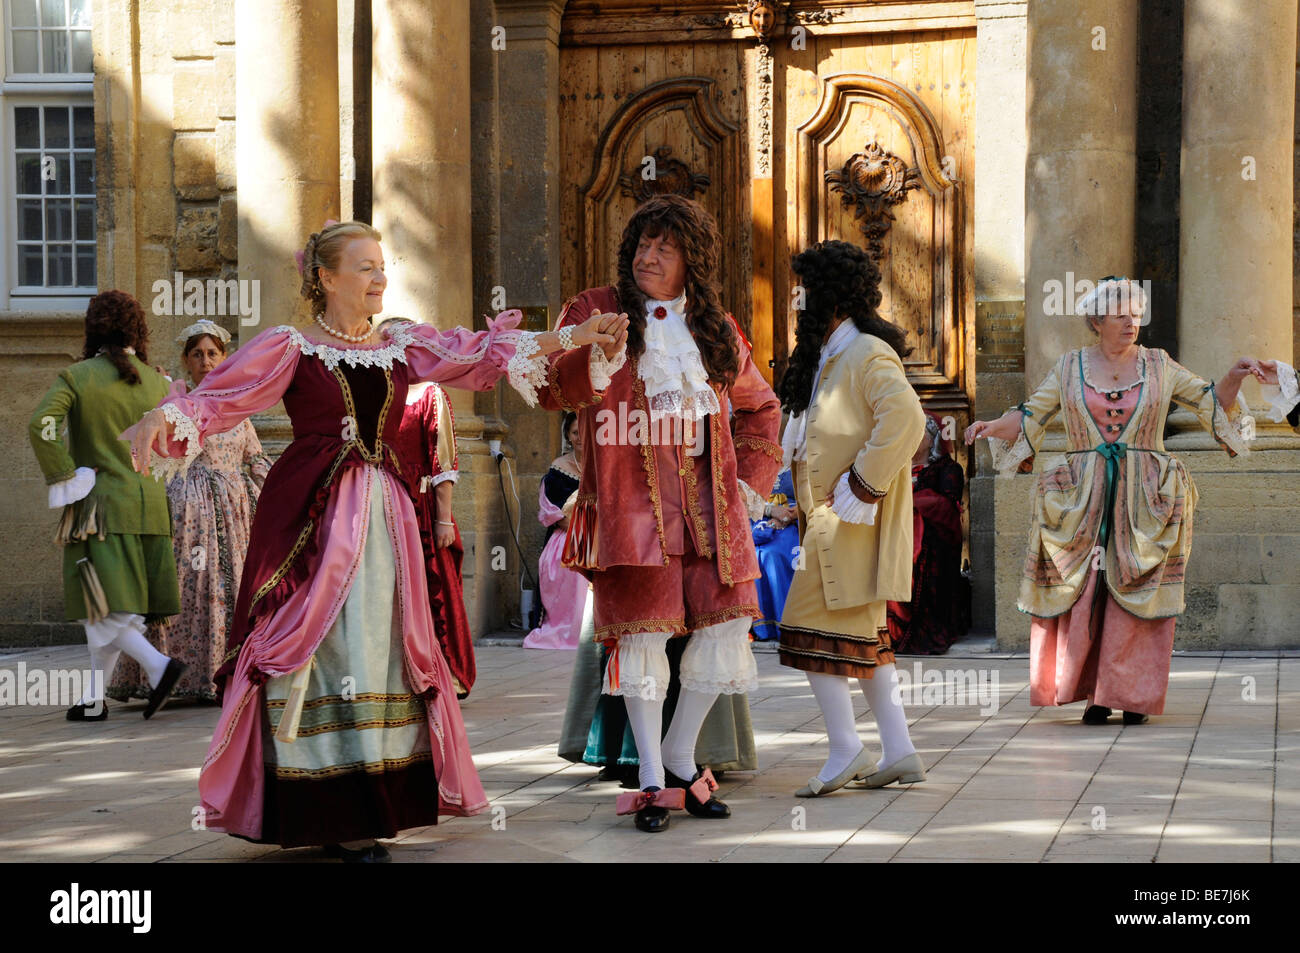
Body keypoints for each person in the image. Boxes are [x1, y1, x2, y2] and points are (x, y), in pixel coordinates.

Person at [125, 220, 627, 861]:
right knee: (316, 642)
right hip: (315, 516)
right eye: (364, 266)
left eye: (382, 265)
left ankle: (372, 798)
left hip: (387, 516)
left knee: (385, 643)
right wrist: (163, 416)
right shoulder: (291, 347)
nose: (380, 277)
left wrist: (573, 335)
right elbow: (225, 395)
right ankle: (323, 803)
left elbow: (476, 354)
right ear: (326, 278)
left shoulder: (399, 344)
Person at [540, 194, 781, 832]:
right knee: (643, 635)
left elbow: (760, 408)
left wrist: (751, 483)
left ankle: (680, 753)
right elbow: (546, 386)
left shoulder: (715, 327)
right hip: (630, 508)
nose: (648, 256)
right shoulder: (596, 308)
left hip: (710, 507)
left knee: (726, 626)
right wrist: (590, 359)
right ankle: (651, 776)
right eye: (642, 245)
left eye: (664, 248)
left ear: (690, 261)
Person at [965, 276, 1256, 726]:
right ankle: (1096, 693)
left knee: (1138, 592)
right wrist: (990, 426)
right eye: (1121, 315)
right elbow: (1030, 415)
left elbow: (1209, 401)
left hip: (1146, 496)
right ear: (1097, 320)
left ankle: (1133, 695)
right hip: (1082, 497)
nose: (1131, 323)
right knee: (1089, 593)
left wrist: (1235, 376)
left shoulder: (1160, 365)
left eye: (1136, 315)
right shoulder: (1067, 368)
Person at [776, 239, 928, 797]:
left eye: (806, 291)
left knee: (809, 632)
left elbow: (906, 419)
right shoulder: (834, 354)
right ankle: (900, 750)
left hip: (846, 522)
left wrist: (862, 485)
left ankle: (846, 747)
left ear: (828, 296)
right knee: (863, 638)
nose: (799, 301)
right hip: (828, 522)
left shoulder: (864, 352)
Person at [29, 290, 184, 721]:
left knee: (100, 604)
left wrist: (66, 475)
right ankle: (94, 701)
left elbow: (40, 425)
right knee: (120, 610)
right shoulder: (159, 382)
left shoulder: (78, 377)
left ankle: (160, 667)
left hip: (99, 510)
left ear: (92, 327)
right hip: (150, 506)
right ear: (137, 329)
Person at [109, 320, 271, 703]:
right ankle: (171, 676)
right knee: (187, 587)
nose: (205, 361)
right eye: (197, 354)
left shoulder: (236, 410)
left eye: (213, 353)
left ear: (225, 358)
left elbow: (256, 460)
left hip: (234, 514)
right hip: (186, 510)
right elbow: (151, 452)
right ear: (186, 360)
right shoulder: (176, 407)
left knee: (226, 590)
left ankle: (222, 674)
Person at [383, 317, 476, 697]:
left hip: (419, 506)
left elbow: (443, 463)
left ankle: (443, 670)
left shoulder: (430, 394)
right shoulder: (379, 392)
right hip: (381, 503)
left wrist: (442, 519)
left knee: (429, 588)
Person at [886, 413, 971, 654]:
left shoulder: (947, 468)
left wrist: (911, 506)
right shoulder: (892, 470)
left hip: (929, 539)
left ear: (931, 437)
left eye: (917, 430)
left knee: (918, 551)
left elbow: (947, 506)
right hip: (893, 535)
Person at [524, 411, 588, 650]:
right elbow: (552, 512)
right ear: (568, 436)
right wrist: (583, 529)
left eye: (584, 432)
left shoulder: (604, 465)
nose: (580, 437)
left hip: (600, 535)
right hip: (567, 536)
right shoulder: (558, 469)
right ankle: (565, 629)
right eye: (575, 433)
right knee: (569, 572)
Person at [750, 468, 799, 642]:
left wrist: (793, 513)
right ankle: (763, 627)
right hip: (759, 519)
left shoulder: (804, 454)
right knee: (755, 554)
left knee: (775, 555)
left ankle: (789, 625)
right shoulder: (756, 456)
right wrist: (771, 511)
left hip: (797, 521)